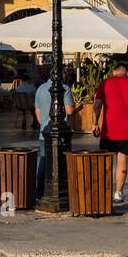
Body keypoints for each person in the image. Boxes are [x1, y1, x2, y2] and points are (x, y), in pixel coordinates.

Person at [92, 57, 128, 205]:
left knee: (106, 160)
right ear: (127, 72)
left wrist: (94, 123)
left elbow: (97, 105)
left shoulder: (105, 83)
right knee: (122, 160)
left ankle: (104, 191)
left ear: (113, 72)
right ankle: (118, 193)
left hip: (109, 129)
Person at [34, 70, 75, 200]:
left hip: (44, 132)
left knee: (44, 160)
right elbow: (69, 110)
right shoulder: (64, 88)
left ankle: (39, 192)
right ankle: (62, 191)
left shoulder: (40, 88)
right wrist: (77, 109)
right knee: (62, 161)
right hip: (61, 134)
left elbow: (38, 112)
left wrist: (45, 125)